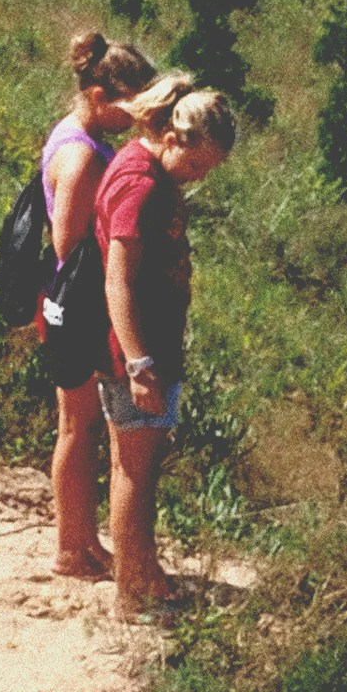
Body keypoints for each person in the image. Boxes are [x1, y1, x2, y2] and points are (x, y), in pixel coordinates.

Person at [96, 78, 237, 618]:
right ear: (175, 138)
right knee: (134, 468)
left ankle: (141, 569)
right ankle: (129, 592)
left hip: (153, 347)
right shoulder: (140, 184)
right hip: (137, 352)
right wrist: (139, 363)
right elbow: (118, 280)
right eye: (198, 166)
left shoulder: (150, 169)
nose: (199, 179)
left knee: (141, 463)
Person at [38, 26, 155, 577]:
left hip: (66, 304)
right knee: (76, 428)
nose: (139, 118)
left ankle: (81, 543)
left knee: (75, 426)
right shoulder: (84, 155)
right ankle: (70, 547)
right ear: (99, 99)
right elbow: (67, 242)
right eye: (131, 108)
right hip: (77, 305)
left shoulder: (73, 134)